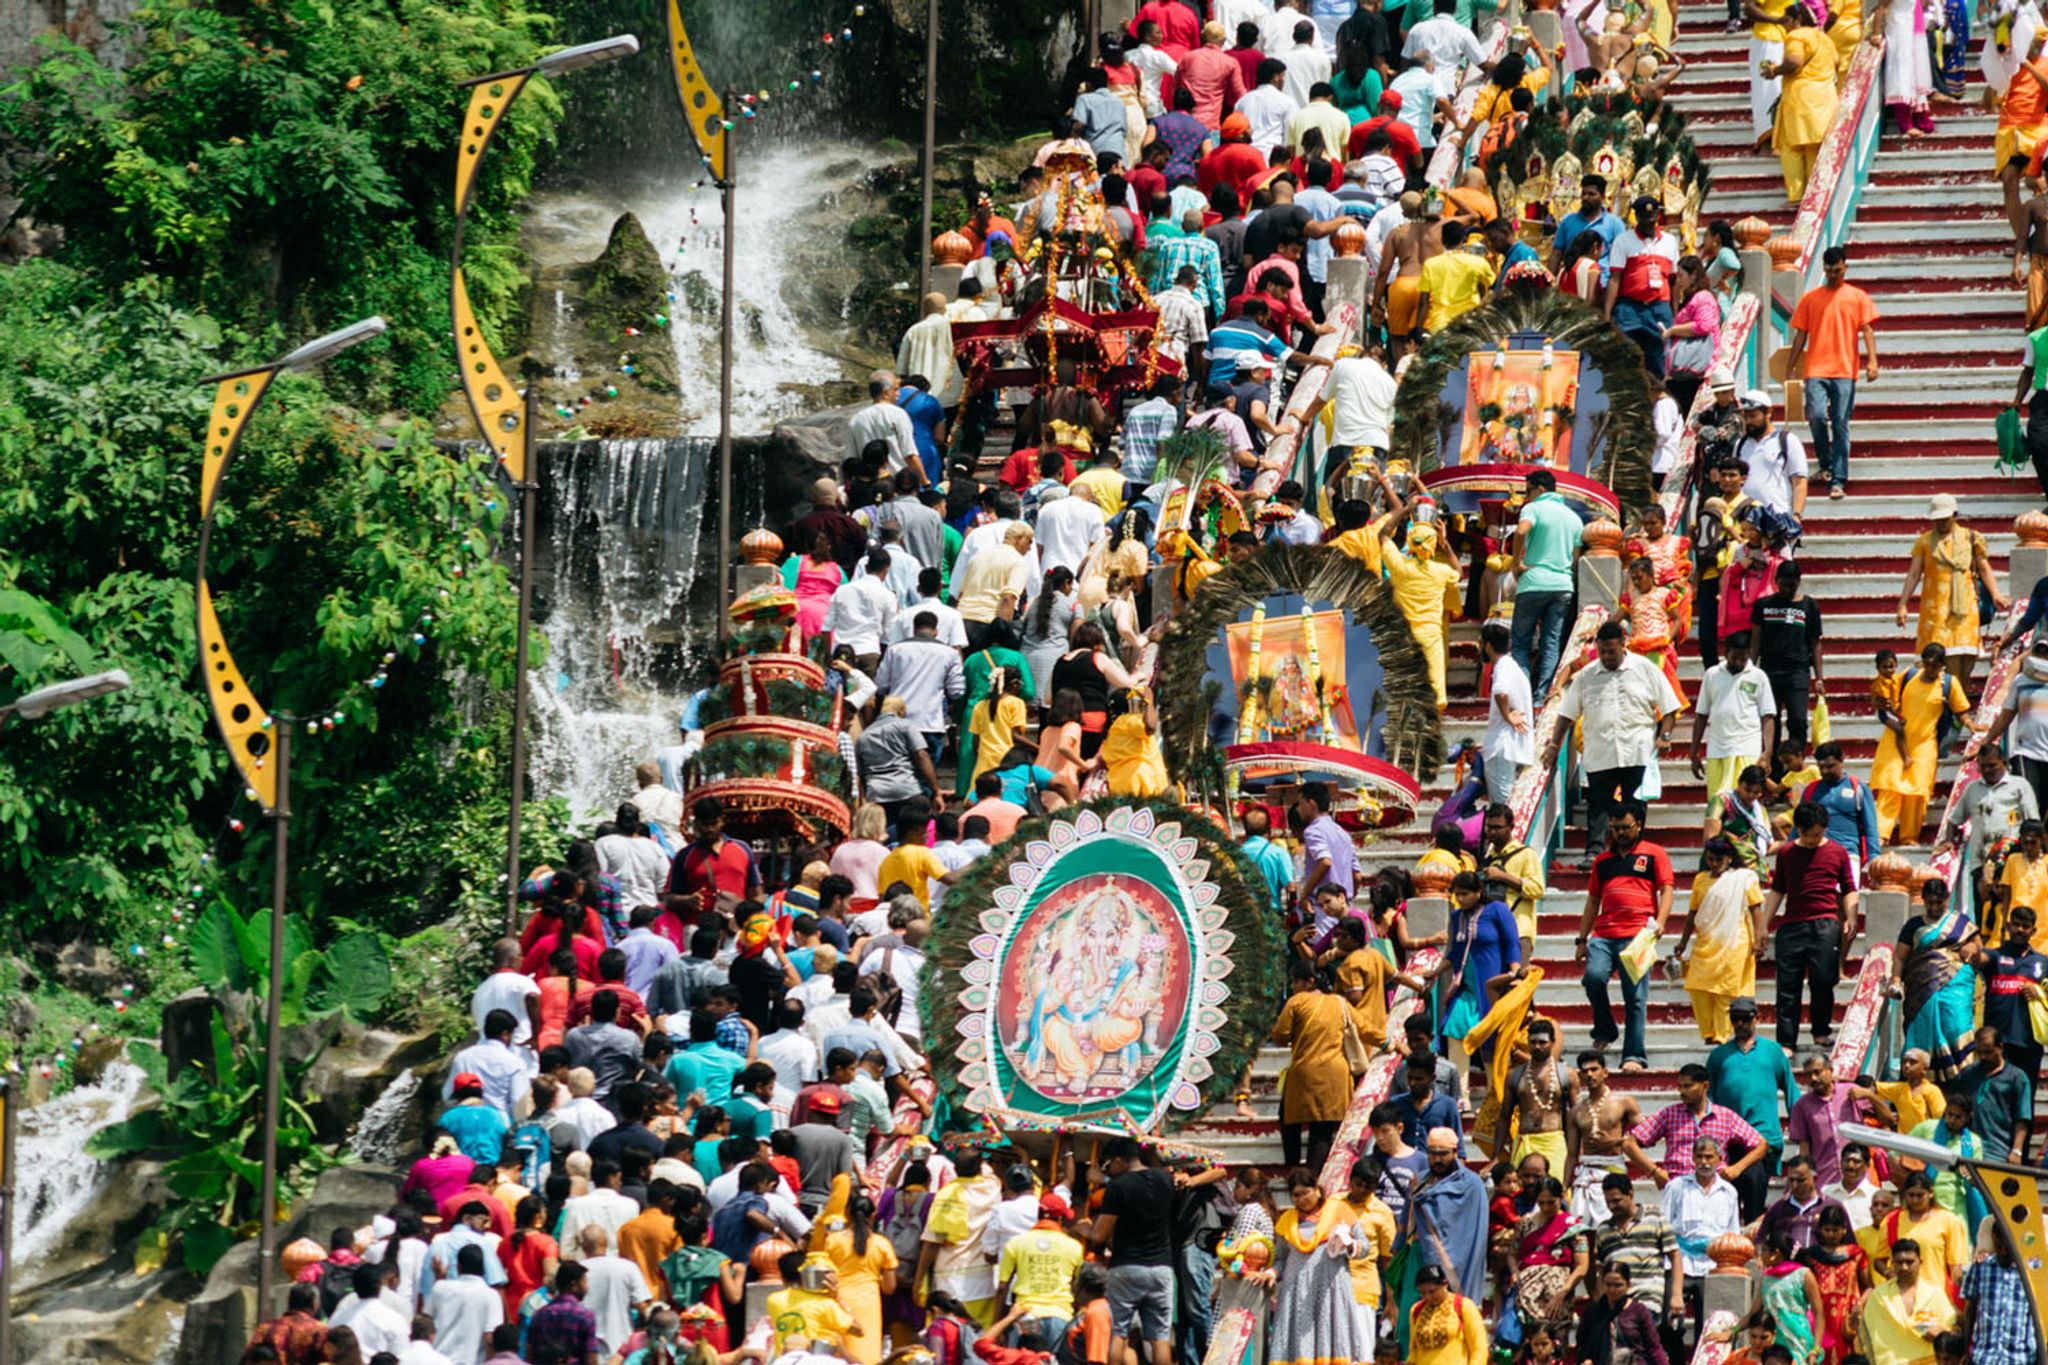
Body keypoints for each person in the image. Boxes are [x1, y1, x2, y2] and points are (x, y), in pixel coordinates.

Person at [1547, 623, 1683, 865]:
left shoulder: (1645, 669)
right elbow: (1567, 715)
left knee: (1635, 807)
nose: (1607, 657)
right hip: (1601, 753)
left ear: (1623, 644)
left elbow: (1671, 707)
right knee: (1598, 807)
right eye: (1603, 652)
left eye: (1612, 651)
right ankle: (1594, 853)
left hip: (1638, 752)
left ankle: (1633, 852)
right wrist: (1553, 745)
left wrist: (1665, 736)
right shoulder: (1587, 676)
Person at [1576, 800, 1674, 1071]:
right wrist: (1582, 940)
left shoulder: (1654, 854)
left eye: (1625, 827)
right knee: (1593, 978)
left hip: (1638, 935)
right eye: (1614, 828)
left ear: (1638, 826)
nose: (1619, 833)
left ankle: (1633, 1056)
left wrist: (1662, 922)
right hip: (1604, 935)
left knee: (1635, 999)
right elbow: (1593, 900)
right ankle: (1605, 1028)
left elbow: (1666, 890)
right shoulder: (1602, 861)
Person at [1783, 247, 1879, 499]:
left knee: (1840, 422)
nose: (1833, 275)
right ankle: (1825, 463)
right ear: (1824, 270)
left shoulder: (1857, 296)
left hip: (1846, 369)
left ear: (1845, 267)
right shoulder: (1811, 298)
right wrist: (1791, 364)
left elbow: (1867, 329)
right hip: (1816, 367)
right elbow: (1801, 333)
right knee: (1815, 415)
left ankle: (1838, 478)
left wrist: (1872, 361)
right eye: (1829, 271)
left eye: (1837, 270)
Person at [1765, 803, 1859, 1050]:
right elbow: (1777, 890)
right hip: (1792, 925)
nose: (1811, 840)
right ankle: (1786, 1041)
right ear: (1799, 830)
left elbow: (1849, 888)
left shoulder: (1837, 852)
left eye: (1816, 835)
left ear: (1824, 829)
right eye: (1807, 835)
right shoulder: (1786, 853)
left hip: (1825, 924)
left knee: (1823, 979)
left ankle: (1820, 1030)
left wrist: (1851, 916)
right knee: (1787, 986)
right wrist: (1763, 926)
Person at [1259, 1167, 1371, 1365]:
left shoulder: (1340, 1212)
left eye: (1306, 1192)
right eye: (1296, 1195)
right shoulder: (1287, 1221)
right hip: (1297, 1294)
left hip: (1331, 1290)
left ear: (1318, 1190)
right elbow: (1281, 1259)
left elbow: (1365, 1247)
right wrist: (1271, 1272)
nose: (1302, 1198)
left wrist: (1349, 1244)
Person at [1394, 1131, 1488, 1351]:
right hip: (1420, 1256)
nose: (1437, 1159)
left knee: (1454, 1321)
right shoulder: (1420, 1180)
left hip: (1459, 1261)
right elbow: (1406, 1220)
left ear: (1455, 1152)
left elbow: (1475, 1229)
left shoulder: (1471, 1184)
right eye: (1432, 1153)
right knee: (1410, 1318)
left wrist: (1452, 1262)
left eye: (1443, 1154)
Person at [1707, 997, 1798, 1221]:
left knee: (1754, 1188)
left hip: (1762, 1139)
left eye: (1745, 1019)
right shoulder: (1719, 1055)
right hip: (1727, 1140)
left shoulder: (1773, 1051)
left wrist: (1800, 1127)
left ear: (1756, 1018)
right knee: (1725, 1201)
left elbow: (1791, 1090)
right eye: (1735, 1019)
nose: (1739, 1024)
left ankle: (1752, 1239)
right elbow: (1706, 1096)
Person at [1899, 495, 2006, 684]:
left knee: (1964, 660)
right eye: (1937, 519)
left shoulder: (1971, 538)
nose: (1940, 523)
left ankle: (1958, 700)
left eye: (1944, 519)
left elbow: (1983, 567)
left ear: (1954, 515)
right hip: (1935, 611)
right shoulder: (1924, 542)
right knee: (1936, 658)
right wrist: (1903, 604)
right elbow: (1914, 574)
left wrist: (1996, 593)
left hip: (1964, 608)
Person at [1090, 1137, 1175, 1365]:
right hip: (1162, 1267)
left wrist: (1085, 1228)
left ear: (1118, 1160)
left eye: (1107, 1165)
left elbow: (1099, 1235)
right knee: (1159, 1338)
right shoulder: (1165, 1180)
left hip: (1127, 1266)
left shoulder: (1118, 1187)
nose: (1108, 1171)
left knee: (1119, 1333)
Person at [1269, 958, 1357, 1170]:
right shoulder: (1339, 1002)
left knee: (1289, 1119)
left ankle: (1293, 1172)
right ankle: (1313, 1179)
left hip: (1305, 1073)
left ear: (1309, 982)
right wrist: (1390, 1043)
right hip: (1335, 1075)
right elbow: (1364, 1027)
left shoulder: (1297, 1002)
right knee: (1322, 1129)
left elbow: (1280, 1036)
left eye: (1295, 981)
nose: (1293, 987)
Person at [1676, 837, 1766, 1044]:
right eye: (1710, 859)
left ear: (1729, 858)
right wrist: (1683, 942)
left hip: (1735, 943)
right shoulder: (1700, 879)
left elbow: (1756, 908)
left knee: (1726, 992)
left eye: (1719, 859)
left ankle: (1722, 1037)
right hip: (1706, 941)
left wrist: (1760, 936)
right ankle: (1708, 1033)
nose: (1714, 864)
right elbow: (1693, 913)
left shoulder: (1744, 878)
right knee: (1697, 988)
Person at [1624, 1064, 1768, 1191]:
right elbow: (1629, 1144)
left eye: (1687, 1086)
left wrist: (1737, 1168)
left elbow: (1761, 1144)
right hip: (1678, 1184)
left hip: (1715, 1186)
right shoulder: (1669, 1114)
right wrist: (1654, 1171)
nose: (1682, 1092)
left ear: (1705, 1086)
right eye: (1680, 1087)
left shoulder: (1725, 1115)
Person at [1661, 1137, 1742, 1336]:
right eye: (1700, 1157)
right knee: (1669, 1322)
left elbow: (1733, 1231)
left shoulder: (1729, 1192)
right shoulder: (1676, 1187)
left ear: (1719, 1159)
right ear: (1692, 1158)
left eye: (1709, 1157)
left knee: (1707, 1326)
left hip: (1712, 1266)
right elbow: (1663, 1227)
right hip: (1680, 1262)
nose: (1704, 1162)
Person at [1511, 469, 1581, 696]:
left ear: (1539, 490)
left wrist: (1516, 563)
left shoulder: (1533, 508)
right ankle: (1542, 695)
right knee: (1551, 642)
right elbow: (1575, 557)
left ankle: (1521, 695)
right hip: (1562, 585)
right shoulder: (1573, 517)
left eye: (1528, 491)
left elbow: (1521, 532)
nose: (1526, 496)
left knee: (1521, 642)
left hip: (1533, 582)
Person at [1693, 633, 1779, 805]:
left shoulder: (1758, 676)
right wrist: (1693, 752)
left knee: (1744, 801)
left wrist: (1767, 753)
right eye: (1734, 658)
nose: (1739, 662)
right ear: (1725, 653)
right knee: (1717, 803)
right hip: (1717, 749)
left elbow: (1768, 716)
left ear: (1749, 653)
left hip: (1747, 748)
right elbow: (1701, 714)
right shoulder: (1712, 674)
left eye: (1743, 658)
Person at [1605, 197, 1681, 374]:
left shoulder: (1669, 241)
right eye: (1643, 218)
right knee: (1626, 357)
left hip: (1659, 308)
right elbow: (1615, 278)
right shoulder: (1623, 240)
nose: (1648, 222)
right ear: (1636, 216)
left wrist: (1675, 313)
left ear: (1657, 216)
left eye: (1651, 217)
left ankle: (1657, 397)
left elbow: (1674, 281)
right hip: (1629, 308)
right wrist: (1607, 315)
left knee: (1658, 358)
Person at [1859, 1236, 1958, 1364]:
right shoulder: (1879, 1296)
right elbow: (1866, 1335)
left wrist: (1937, 1333)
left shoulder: (1934, 1293)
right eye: (1899, 1262)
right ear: (1892, 1263)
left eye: (1909, 1262)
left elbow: (1949, 1331)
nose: (1904, 1267)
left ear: (1920, 1262)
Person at [1959, 1223, 2042, 1365]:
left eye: (2008, 1247)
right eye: (1999, 1246)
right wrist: (1965, 1350)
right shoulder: (1981, 1268)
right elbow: (1969, 1310)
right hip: (1984, 1358)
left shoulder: (2032, 1273)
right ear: (1993, 1239)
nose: (2004, 1251)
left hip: (2020, 1359)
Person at [1951, 1026, 2035, 1162]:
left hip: (1998, 1153)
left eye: (1988, 1052)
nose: (1983, 1057)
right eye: (1979, 1052)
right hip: (1967, 1149)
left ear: (2000, 1047)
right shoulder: (1968, 1074)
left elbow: (2023, 1118)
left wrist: (2017, 1151)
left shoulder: (2016, 1077)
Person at [1756, 1226, 1826, 1365]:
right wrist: (1732, 1331)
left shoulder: (1803, 1274)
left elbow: (1819, 1313)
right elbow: (1754, 1311)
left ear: (1775, 1253)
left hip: (1798, 1339)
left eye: (1763, 1250)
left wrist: (1816, 1348)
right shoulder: (1766, 1278)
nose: (1760, 1255)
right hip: (1775, 1343)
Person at [1576, 1261, 1669, 1365]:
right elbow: (1583, 1344)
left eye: (1617, 1285)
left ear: (1628, 1285)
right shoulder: (1593, 1312)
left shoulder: (1639, 1311)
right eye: (1608, 1284)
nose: (1612, 1290)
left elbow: (1653, 1347)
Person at [1405, 1262, 1489, 1365]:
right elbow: (1413, 1350)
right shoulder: (1416, 1310)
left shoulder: (1463, 1306)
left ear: (1445, 1284)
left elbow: (1479, 1348)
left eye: (1432, 1291)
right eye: (1423, 1293)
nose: (1427, 1297)